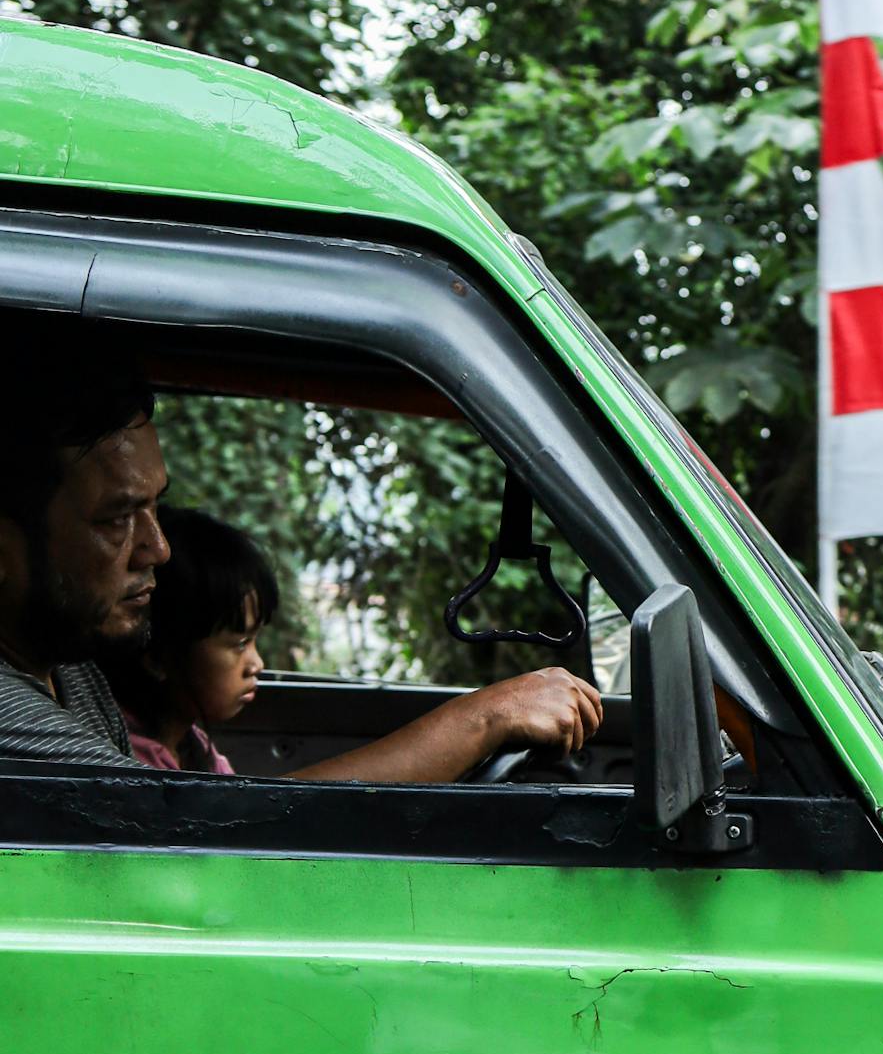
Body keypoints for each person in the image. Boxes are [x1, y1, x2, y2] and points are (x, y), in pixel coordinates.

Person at [0, 331, 603, 777]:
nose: (156, 549)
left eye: (155, 509)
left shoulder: (68, 664)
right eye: (115, 519)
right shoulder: (14, 721)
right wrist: (480, 720)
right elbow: (198, 840)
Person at [99, 505, 276, 773]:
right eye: (240, 644)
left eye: (254, 641)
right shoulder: (132, 764)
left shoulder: (193, 745)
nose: (257, 664)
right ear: (159, 658)